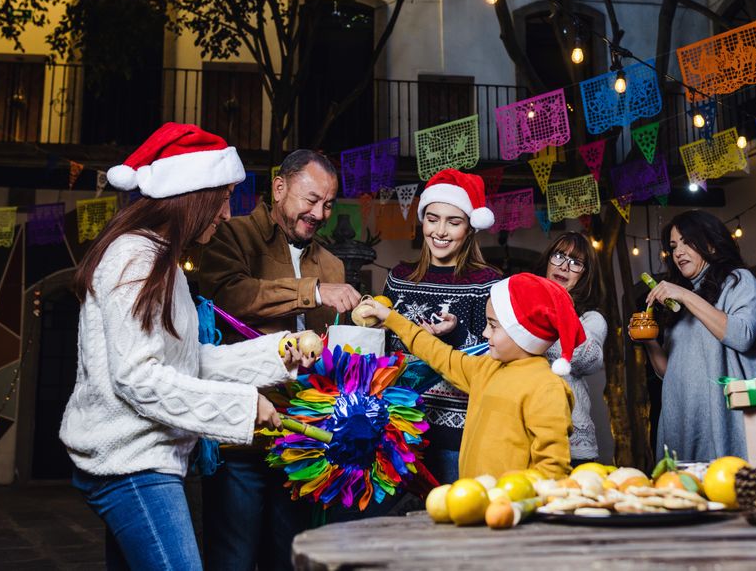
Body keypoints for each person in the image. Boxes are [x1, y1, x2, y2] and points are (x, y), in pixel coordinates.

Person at [59, 123, 306, 571]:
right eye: (222, 198)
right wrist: (243, 407)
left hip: (140, 460)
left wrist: (277, 353)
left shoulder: (161, 261)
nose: (226, 213)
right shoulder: (136, 258)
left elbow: (187, 362)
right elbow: (139, 378)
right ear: (192, 196)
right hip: (132, 465)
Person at [197, 149, 359, 571]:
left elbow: (334, 347)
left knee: (289, 560)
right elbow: (230, 295)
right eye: (312, 200)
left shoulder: (333, 263)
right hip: (241, 436)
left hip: (305, 440)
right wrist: (313, 292)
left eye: (328, 204)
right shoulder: (230, 235)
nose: (320, 213)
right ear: (280, 187)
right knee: (232, 560)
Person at [359, 273, 584, 479]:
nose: (485, 333)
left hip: (513, 507)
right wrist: (391, 318)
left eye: (493, 326)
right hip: (475, 501)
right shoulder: (485, 368)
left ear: (523, 333)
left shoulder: (547, 388)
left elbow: (553, 469)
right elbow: (438, 354)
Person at [381, 168, 500, 483]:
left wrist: (456, 333)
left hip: (455, 436)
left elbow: (493, 361)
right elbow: (382, 350)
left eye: (454, 222)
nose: (441, 231)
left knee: (454, 512)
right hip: (394, 429)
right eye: (433, 219)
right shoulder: (398, 277)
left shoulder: (487, 283)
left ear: (470, 228)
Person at [640, 210, 756, 462]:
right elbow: (668, 371)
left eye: (687, 242)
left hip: (722, 418)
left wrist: (686, 296)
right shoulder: (680, 301)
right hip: (682, 420)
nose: (678, 252)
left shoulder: (738, 281)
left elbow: (743, 336)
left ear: (710, 243)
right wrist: (648, 339)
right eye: (673, 246)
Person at [534, 232, 607, 466]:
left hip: (572, 444)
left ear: (585, 274)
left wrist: (557, 309)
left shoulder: (590, 319)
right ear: (548, 260)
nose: (564, 266)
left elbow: (588, 360)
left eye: (576, 262)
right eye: (559, 256)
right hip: (526, 433)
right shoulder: (524, 303)